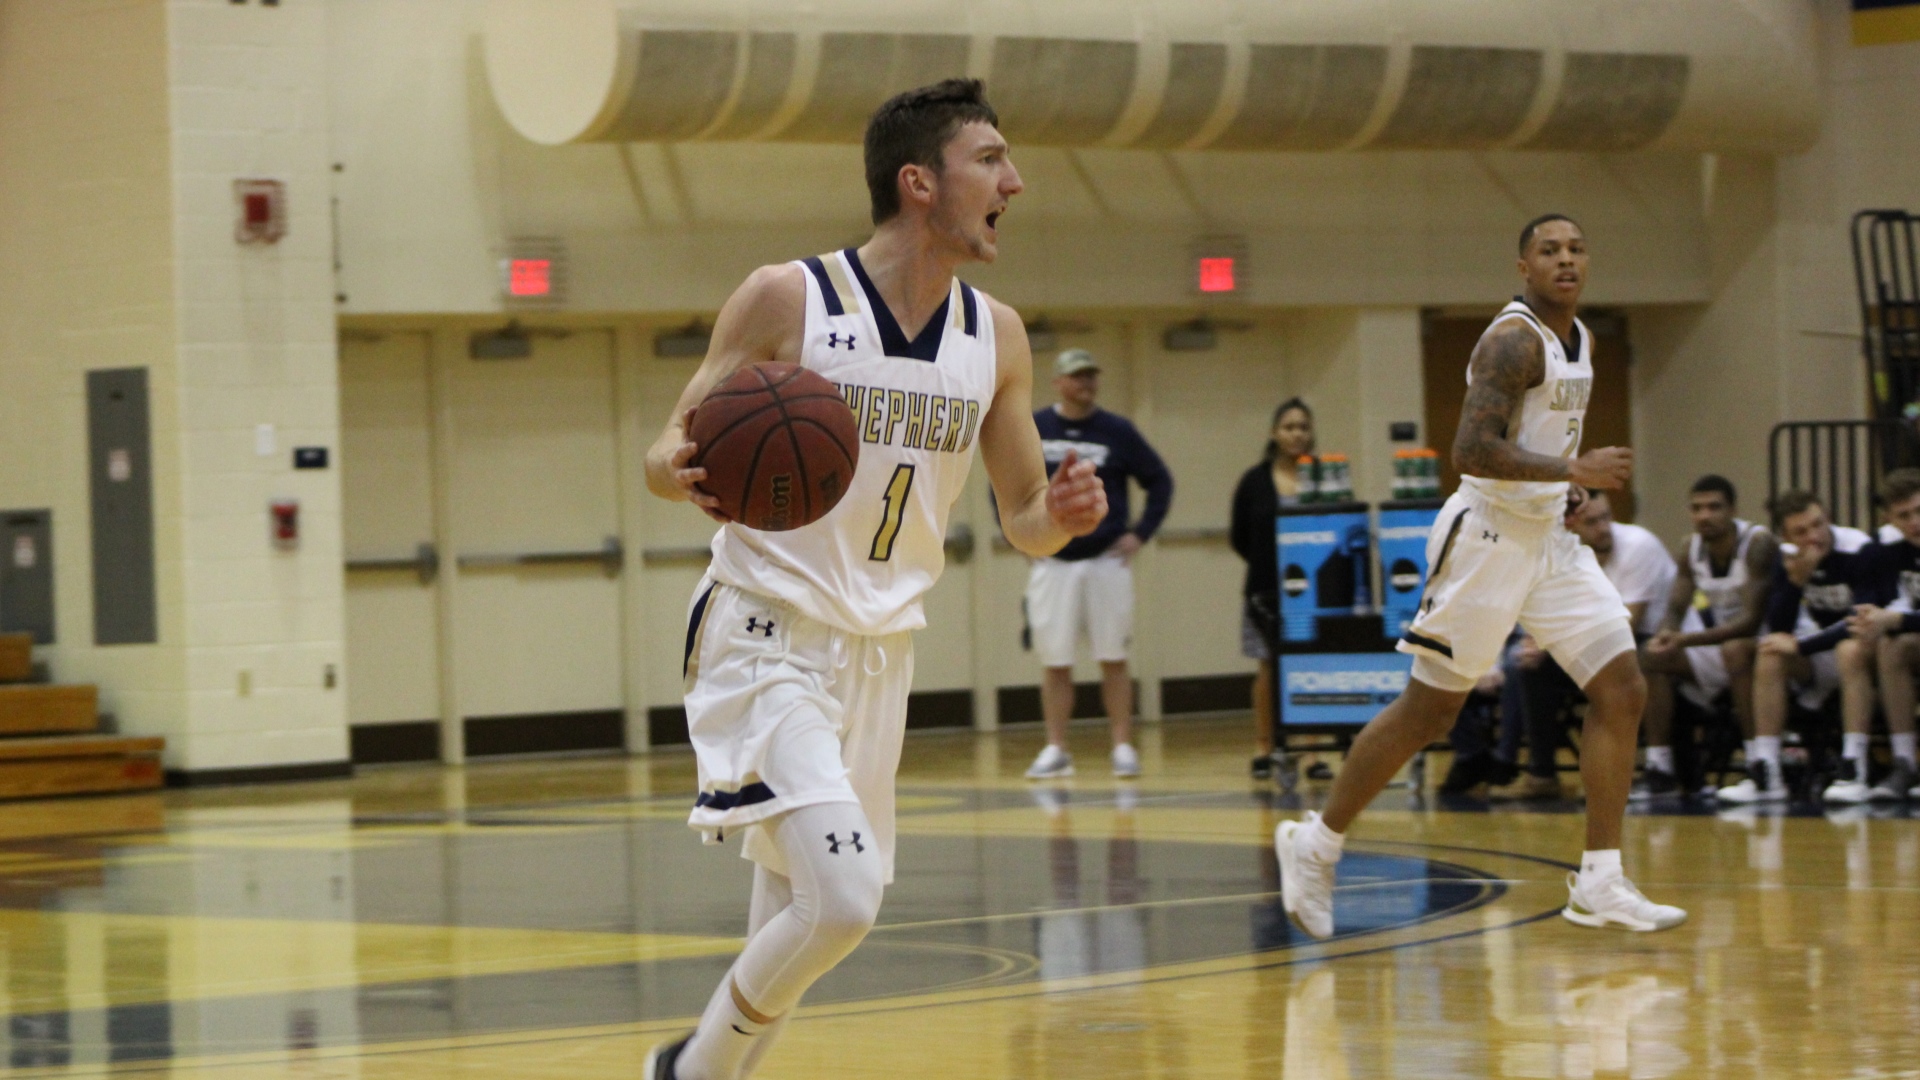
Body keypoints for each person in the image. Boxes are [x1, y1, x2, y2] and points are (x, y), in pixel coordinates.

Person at [639, 80, 1106, 1080]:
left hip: (879, 652)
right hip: (764, 624)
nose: (1014, 182)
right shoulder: (787, 298)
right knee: (844, 900)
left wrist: (1060, 519)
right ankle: (689, 1072)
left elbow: (1024, 520)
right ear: (918, 183)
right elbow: (664, 446)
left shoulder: (999, 337)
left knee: (800, 915)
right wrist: (672, 471)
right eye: (991, 160)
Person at [1272, 214, 1687, 936]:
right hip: (1488, 539)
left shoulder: (1581, 339)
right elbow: (1469, 448)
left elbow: (1538, 437)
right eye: (1549, 251)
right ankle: (1316, 843)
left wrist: (1567, 487)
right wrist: (1571, 468)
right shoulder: (1512, 339)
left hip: (1548, 539)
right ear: (1522, 267)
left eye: (1577, 249)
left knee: (1622, 687)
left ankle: (1601, 879)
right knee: (1431, 713)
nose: (1566, 260)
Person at [1022, 348, 1174, 780]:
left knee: (1113, 655)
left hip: (1107, 560)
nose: (1086, 383)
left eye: (1091, 376)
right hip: (1052, 562)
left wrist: (1140, 532)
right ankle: (1056, 748)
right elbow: (1005, 486)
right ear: (1058, 382)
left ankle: (1123, 745)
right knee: (1055, 660)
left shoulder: (1118, 431)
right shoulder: (1037, 426)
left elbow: (1159, 480)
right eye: (1077, 376)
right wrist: (1021, 535)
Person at [1488, 490, 1676, 800]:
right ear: (1571, 525)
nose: (1604, 528)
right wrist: (1541, 643)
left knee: (1606, 664)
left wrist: (1553, 641)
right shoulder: (1560, 554)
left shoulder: (1639, 546)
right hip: (1593, 643)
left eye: (1607, 517)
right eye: (1592, 521)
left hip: (1645, 644)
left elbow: (1626, 625)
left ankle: (1615, 775)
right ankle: (1541, 774)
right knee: (1531, 666)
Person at [1715, 491, 1874, 804]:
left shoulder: (1859, 549)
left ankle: (1855, 765)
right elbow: (1779, 627)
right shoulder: (1786, 557)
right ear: (1786, 536)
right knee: (1770, 651)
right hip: (1819, 651)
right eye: (1801, 531)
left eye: (1818, 524)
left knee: (1849, 650)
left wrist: (1803, 645)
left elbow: (1859, 621)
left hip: (1864, 652)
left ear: (1827, 517)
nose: (1813, 536)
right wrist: (1796, 582)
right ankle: (1767, 770)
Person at [1633, 476, 1776, 799]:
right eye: (1697, 508)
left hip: (1767, 643)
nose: (1704, 516)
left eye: (1714, 507)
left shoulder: (1757, 543)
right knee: (1651, 655)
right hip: (1719, 644)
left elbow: (1751, 622)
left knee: (1735, 650)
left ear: (1733, 510)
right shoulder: (1690, 547)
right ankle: (1660, 768)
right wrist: (1666, 635)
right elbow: (1675, 608)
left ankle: (1758, 764)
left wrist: (1685, 641)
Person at [1230, 398, 1315, 779]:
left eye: (1302, 427)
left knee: (1310, 665)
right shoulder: (1254, 481)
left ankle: (1312, 750)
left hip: (1313, 591)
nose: (1296, 434)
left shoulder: (1322, 477)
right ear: (1274, 433)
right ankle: (1264, 745)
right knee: (1267, 666)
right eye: (1288, 427)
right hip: (1265, 589)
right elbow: (1239, 536)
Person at [1843, 467, 1920, 801]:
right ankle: (1904, 761)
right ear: (1889, 518)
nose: (1915, 521)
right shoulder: (1882, 549)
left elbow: (1896, 617)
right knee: (1887, 647)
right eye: (1904, 515)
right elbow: (1864, 605)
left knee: (1894, 635)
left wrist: (1893, 618)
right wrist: (1872, 617)